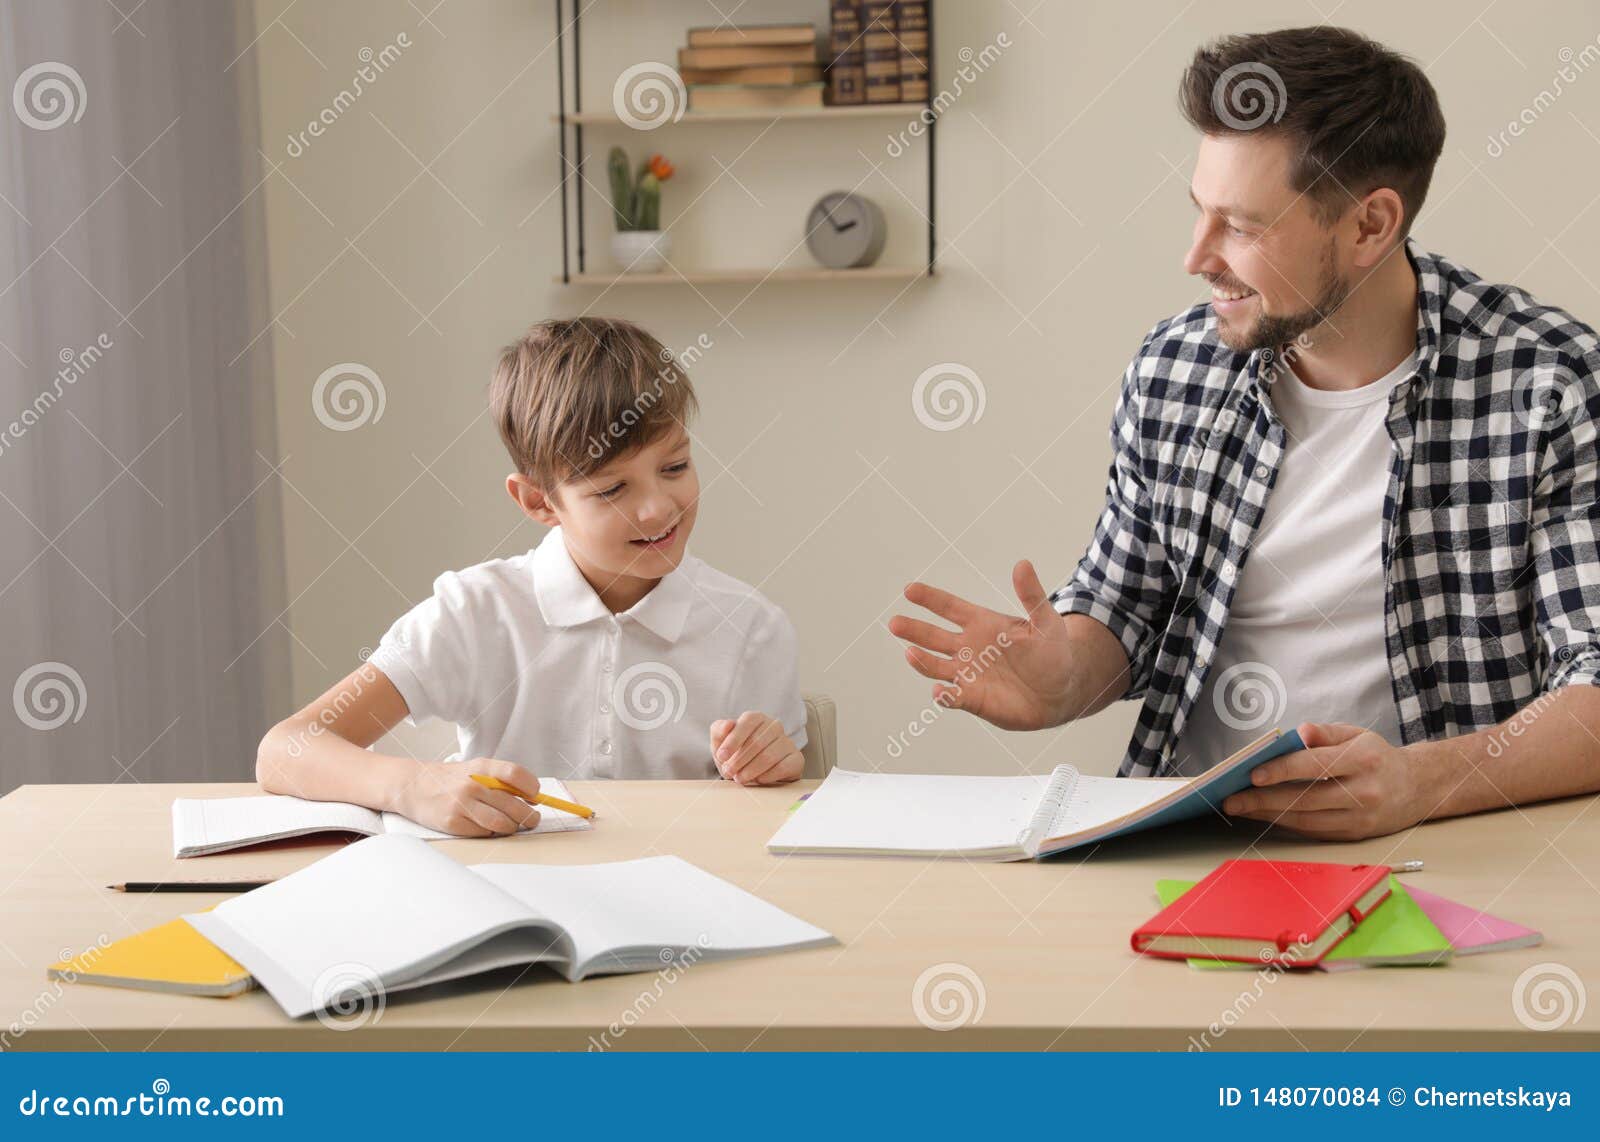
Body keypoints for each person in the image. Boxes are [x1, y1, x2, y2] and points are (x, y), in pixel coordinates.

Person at [891, 26, 1600, 842]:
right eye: (1199, 212)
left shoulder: (1548, 387)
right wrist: (1060, 679)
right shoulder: (1175, 366)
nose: (1196, 256)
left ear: (1370, 225)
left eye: (1242, 226)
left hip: (1436, 854)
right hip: (1187, 845)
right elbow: (1126, 606)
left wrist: (1420, 782)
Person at [257, 317, 806, 836]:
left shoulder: (752, 629)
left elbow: (784, 811)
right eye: (612, 490)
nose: (657, 509)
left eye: (675, 468)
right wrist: (412, 784)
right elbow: (285, 750)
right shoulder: (476, 611)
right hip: (509, 900)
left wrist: (775, 766)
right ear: (538, 501)